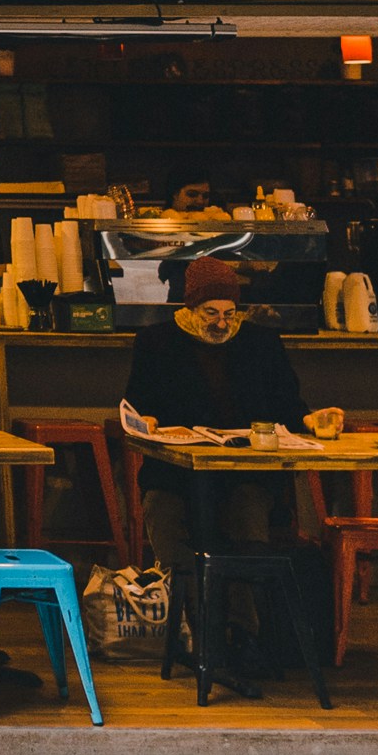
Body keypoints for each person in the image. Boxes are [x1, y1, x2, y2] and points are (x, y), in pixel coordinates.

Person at [121, 253, 311, 682]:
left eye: (230, 313)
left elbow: (290, 406)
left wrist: (311, 420)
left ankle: (245, 636)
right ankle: (202, 631)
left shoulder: (261, 343)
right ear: (190, 307)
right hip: (175, 471)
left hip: (244, 472)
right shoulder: (156, 342)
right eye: (211, 313)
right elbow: (137, 403)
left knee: (247, 519)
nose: (222, 323)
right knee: (166, 517)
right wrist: (147, 421)